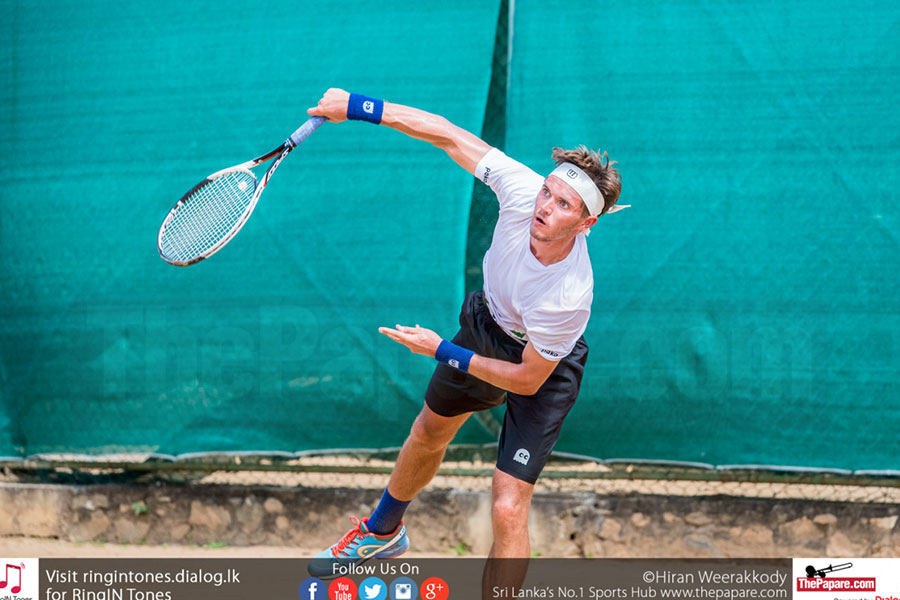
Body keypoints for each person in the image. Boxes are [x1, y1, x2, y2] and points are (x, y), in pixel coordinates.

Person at [305, 89, 625, 578]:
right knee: (428, 431)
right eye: (547, 192)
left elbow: (525, 380)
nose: (544, 206)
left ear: (585, 223)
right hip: (487, 324)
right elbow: (447, 134)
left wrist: (444, 351)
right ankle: (382, 535)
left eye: (562, 205)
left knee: (508, 506)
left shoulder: (568, 295)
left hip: (541, 366)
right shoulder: (523, 192)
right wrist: (356, 106)